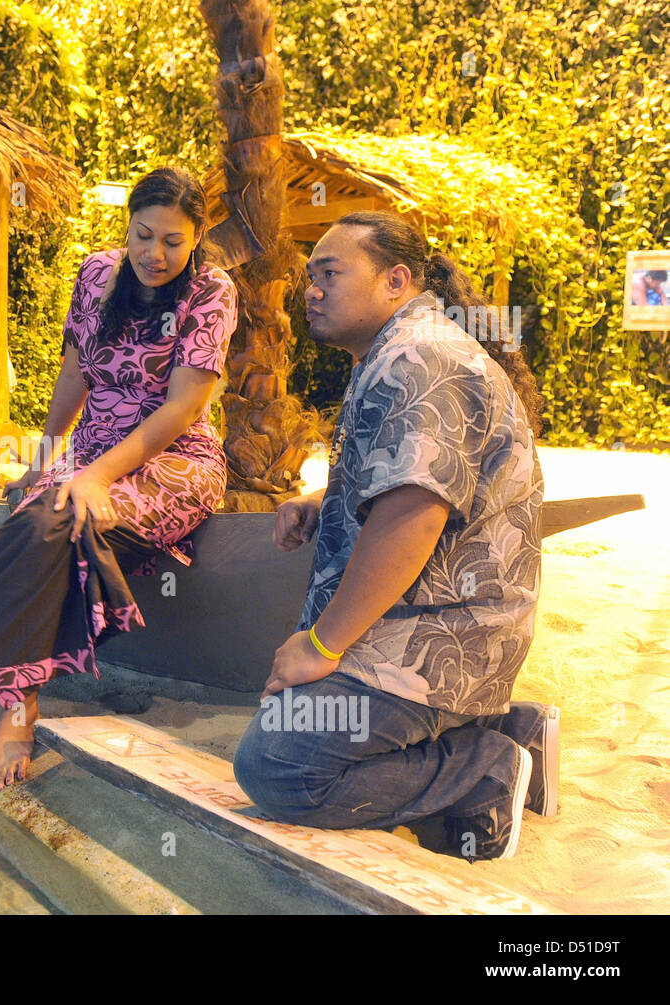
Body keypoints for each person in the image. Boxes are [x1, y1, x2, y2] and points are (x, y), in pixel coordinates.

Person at [0, 166, 238, 806]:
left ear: (197, 237)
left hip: (177, 462)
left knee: (55, 521)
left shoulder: (212, 291)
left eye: (173, 241)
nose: (155, 255)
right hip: (93, 453)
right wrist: (46, 460)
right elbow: (75, 373)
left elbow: (182, 408)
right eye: (143, 236)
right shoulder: (98, 274)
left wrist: (94, 475)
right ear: (126, 227)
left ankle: (5, 714)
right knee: (35, 521)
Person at [232, 211, 557, 862]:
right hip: (426, 624)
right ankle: (508, 725)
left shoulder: (418, 359)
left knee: (279, 762)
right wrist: (328, 500)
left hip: (438, 636)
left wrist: (323, 644)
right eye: (309, 276)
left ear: (396, 280)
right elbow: (424, 474)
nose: (311, 290)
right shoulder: (394, 349)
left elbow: (416, 517)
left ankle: (485, 770)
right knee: (287, 718)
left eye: (330, 273)